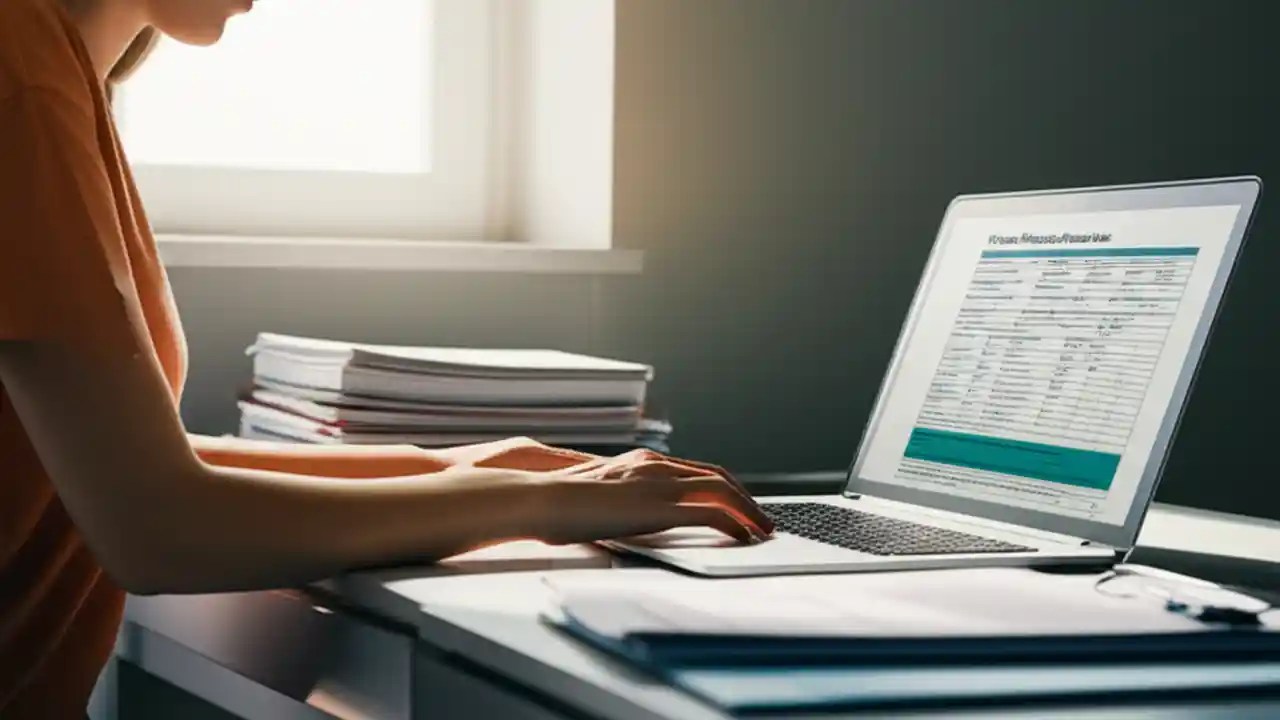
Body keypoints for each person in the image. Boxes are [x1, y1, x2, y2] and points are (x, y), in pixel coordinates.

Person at [0, 0, 774, 715]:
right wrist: (537, 506)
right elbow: (156, 526)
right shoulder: (22, 74)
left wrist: (462, 469)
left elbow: (110, 468)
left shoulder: (52, 70)